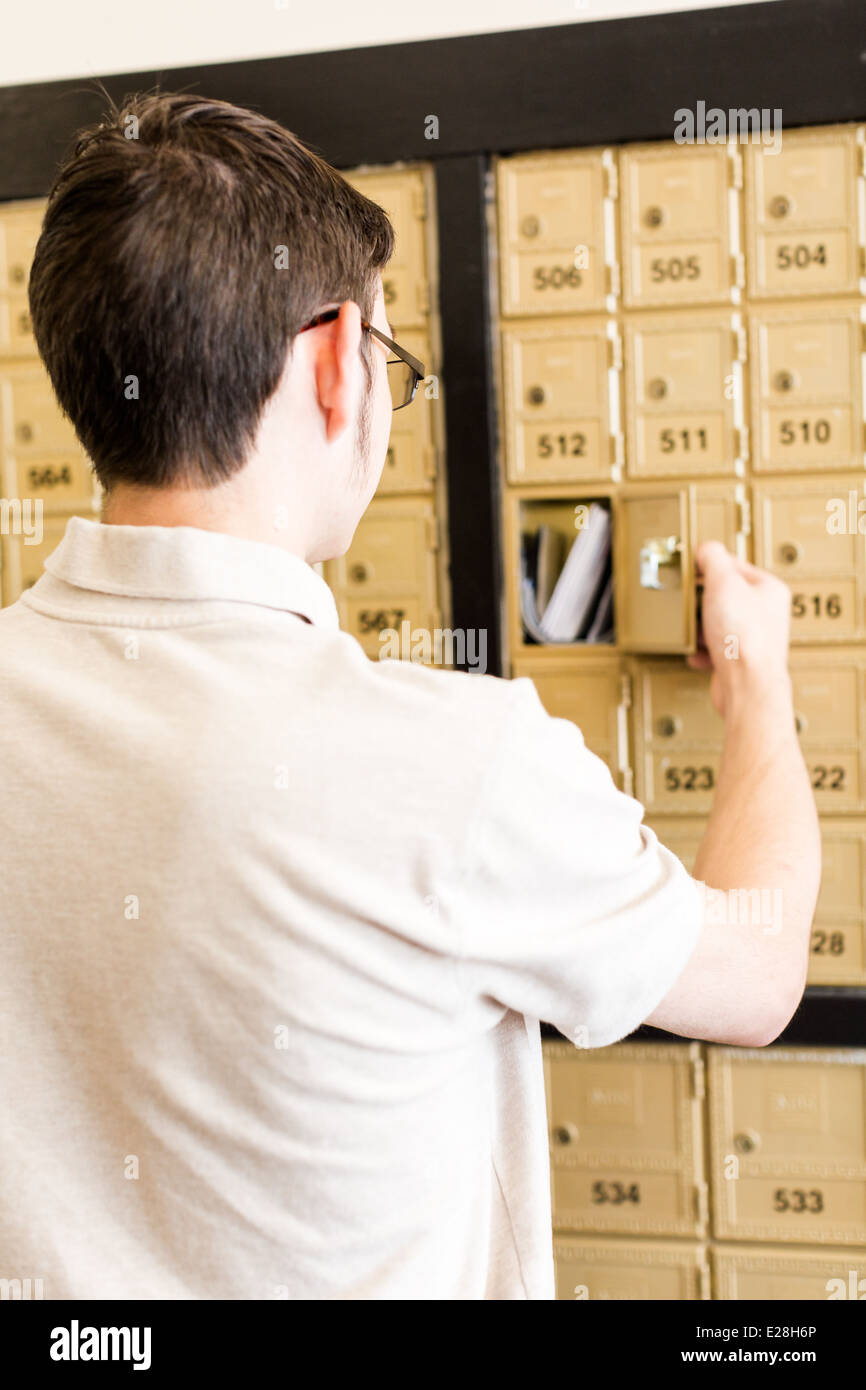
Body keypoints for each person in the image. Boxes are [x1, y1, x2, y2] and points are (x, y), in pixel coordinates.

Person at [0, 91, 820, 1301]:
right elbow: (755, 976)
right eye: (390, 357)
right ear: (337, 360)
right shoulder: (454, 762)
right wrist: (756, 688)